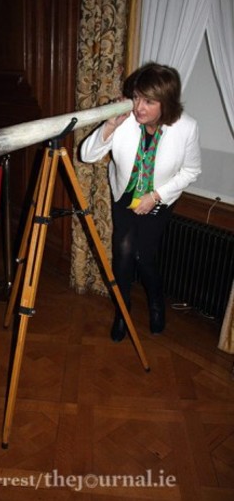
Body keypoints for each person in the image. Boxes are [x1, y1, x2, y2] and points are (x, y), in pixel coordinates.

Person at [80, 62, 201, 341]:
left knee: (145, 258)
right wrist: (110, 124)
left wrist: (156, 196)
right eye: (136, 98)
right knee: (122, 255)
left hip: (159, 201)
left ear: (166, 102)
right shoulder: (125, 119)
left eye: (148, 101)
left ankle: (156, 304)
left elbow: (191, 171)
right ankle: (122, 312)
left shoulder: (186, 128)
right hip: (125, 196)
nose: (138, 107)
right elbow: (86, 155)